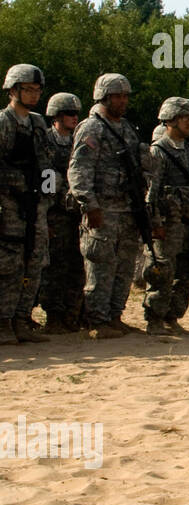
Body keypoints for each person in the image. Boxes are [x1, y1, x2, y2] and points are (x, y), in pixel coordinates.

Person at [67, 73, 149, 340]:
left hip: (127, 209)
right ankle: (98, 320)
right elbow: (79, 170)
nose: (123, 101)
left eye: (125, 96)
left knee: (124, 266)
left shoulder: (126, 129)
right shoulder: (92, 128)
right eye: (117, 96)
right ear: (103, 96)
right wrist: (89, 204)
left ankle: (115, 316)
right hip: (102, 209)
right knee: (100, 266)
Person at [143, 97, 189, 336]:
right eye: (185, 118)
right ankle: (155, 318)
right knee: (162, 271)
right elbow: (151, 192)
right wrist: (156, 224)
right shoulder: (158, 152)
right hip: (168, 225)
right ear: (170, 119)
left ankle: (173, 317)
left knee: (186, 273)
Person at [0, 64, 54, 344]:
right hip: (9, 204)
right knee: (8, 264)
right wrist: (16, 186)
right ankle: (3, 322)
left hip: (35, 204)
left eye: (37, 90)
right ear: (13, 90)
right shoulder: (4, 122)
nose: (34, 95)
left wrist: (47, 197)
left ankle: (21, 320)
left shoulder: (37, 123)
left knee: (34, 261)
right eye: (28, 90)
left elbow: (46, 165)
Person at [38, 91, 85, 334]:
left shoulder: (79, 141)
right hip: (55, 214)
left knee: (77, 266)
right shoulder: (46, 142)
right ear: (56, 115)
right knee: (54, 266)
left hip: (79, 215)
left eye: (76, 113)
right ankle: (53, 316)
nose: (74, 117)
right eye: (69, 113)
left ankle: (72, 315)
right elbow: (46, 180)